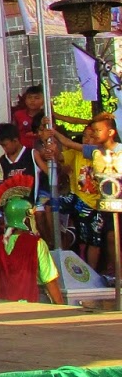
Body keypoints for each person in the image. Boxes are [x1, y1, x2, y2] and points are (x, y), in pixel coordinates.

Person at [62, 114, 117, 271]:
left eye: (96, 132)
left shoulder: (103, 150)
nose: (91, 136)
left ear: (111, 132)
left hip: (104, 202)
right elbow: (64, 152)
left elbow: (68, 143)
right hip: (96, 202)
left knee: (101, 239)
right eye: (88, 134)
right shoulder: (93, 152)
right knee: (92, 238)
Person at [0, 195, 63, 305]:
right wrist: (61, 307)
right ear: (26, 220)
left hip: (3, 304)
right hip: (31, 303)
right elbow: (49, 279)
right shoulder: (37, 243)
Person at [0, 122, 50, 202]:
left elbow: (49, 174)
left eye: (5, 145)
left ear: (15, 140)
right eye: (2, 145)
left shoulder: (32, 154)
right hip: (14, 206)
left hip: (33, 206)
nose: (4, 148)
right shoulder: (3, 160)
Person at [11, 85, 46, 150]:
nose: (32, 100)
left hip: (41, 151)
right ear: (25, 99)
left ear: (44, 101)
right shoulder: (18, 115)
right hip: (22, 151)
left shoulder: (46, 116)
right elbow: (13, 133)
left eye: (37, 98)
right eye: (29, 97)